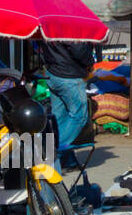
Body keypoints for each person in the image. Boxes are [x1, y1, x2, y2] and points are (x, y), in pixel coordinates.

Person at [37, 39, 94, 171]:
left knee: (59, 119)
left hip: (54, 73)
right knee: (79, 116)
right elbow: (78, 49)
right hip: (68, 76)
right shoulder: (69, 24)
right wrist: (90, 61)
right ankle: (52, 152)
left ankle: (67, 160)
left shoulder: (50, 22)